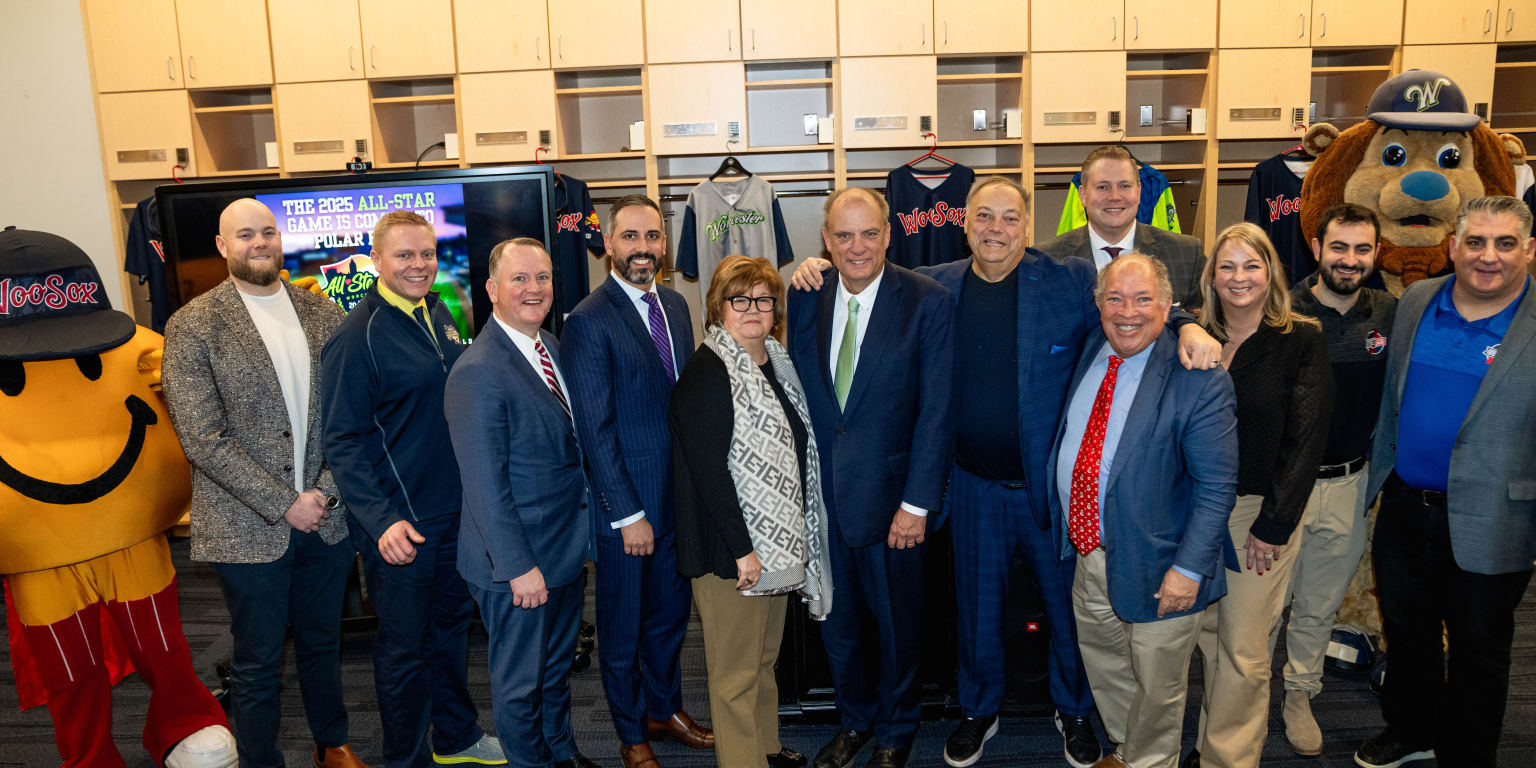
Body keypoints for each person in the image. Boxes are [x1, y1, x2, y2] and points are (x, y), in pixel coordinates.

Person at [787, 178, 1224, 768]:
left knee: (1069, 617)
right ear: (964, 224)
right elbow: (864, 285)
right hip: (970, 486)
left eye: (1010, 218)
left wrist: (1187, 325)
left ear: (1027, 225)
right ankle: (977, 711)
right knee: (976, 616)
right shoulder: (933, 288)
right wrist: (811, 267)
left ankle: (1073, 712)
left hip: (1050, 489)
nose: (996, 229)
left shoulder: (1068, 280)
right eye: (984, 217)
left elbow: (1129, 308)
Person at [162, 198, 364, 768]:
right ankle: (260, 759)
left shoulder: (321, 313)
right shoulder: (193, 324)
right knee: (257, 660)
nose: (260, 243)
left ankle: (333, 744)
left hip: (326, 516)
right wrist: (285, 504)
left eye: (268, 232)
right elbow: (202, 437)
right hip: (246, 527)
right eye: (245, 234)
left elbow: (348, 417)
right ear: (224, 247)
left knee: (325, 645)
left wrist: (321, 492)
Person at [1354, 195, 1536, 768]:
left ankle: (1466, 753)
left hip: (1496, 516)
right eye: (1475, 242)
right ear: (1452, 246)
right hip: (1406, 506)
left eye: (1505, 243)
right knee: (1407, 635)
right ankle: (1410, 729)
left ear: (1528, 250)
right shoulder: (1415, 301)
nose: (1488, 256)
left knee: (1481, 649)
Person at [321, 211, 504, 767]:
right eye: (404, 255)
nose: (419, 265)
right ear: (376, 261)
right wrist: (381, 521)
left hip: (452, 516)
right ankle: (404, 759)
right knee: (403, 651)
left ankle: (455, 737)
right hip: (400, 526)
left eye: (427, 253)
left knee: (448, 634)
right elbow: (343, 441)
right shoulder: (357, 338)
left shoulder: (439, 312)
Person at [785, 186, 956, 768]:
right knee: (837, 628)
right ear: (826, 240)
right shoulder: (806, 294)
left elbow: (938, 411)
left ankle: (895, 732)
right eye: (843, 235)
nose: (857, 247)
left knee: (898, 628)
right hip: (822, 501)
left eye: (869, 234)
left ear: (889, 234)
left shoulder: (926, 301)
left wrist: (918, 503)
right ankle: (855, 722)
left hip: (893, 506)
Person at [1047, 252, 1239, 768]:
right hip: (1090, 556)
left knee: (1158, 689)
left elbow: (1217, 485)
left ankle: (1151, 760)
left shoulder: (1197, 375)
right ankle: (1129, 753)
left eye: (1142, 299)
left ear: (1168, 304)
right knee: (1107, 667)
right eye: (1114, 298)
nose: (1126, 311)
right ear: (1098, 305)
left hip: (1162, 565)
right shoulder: (1093, 347)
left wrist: (1188, 569)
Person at [560, 195, 713, 768]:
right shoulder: (588, 319)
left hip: (677, 500)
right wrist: (627, 514)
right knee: (622, 629)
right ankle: (629, 732)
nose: (643, 248)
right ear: (609, 244)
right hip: (627, 510)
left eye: (652, 237)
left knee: (671, 618)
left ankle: (663, 707)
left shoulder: (674, 305)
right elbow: (594, 429)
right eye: (630, 237)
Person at [669, 255, 831, 768]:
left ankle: (764, 748)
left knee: (763, 662)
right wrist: (743, 550)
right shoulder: (707, 372)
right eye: (740, 300)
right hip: (731, 552)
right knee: (734, 674)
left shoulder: (774, 362)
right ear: (719, 307)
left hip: (776, 544)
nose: (753, 310)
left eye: (763, 300)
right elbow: (709, 473)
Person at [443, 238, 599, 768]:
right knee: (518, 685)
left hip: (560, 550)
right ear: (491, 290)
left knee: (555, 669)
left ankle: (561, 751)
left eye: (543, 278)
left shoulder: (548, 346)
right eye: (519, 279)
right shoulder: (478, 370)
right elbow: (485, 485)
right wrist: (518, 567)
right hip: (514, 565)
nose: (534, 289)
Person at [1187, 223, 1333, 768]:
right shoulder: (1195, 332)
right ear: (1212, 277)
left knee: (1245, 650)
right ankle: (1208, 743)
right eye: (1227, 266)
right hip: (1196, 511)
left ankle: (1228, 760)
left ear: (1271, 272)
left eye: (1252, 265)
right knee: (1206, 639)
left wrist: (1274, 525)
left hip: (1257, 514)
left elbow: (1306, 441)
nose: (1239, 277)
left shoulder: (1300, 338)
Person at [1274, 203, 1396, 757]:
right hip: (1279, 489)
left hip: (1349, 485)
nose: (1350, 260)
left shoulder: (1391, 313)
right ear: (1318, 249)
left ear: (1376, 253)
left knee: (1319, 606)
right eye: (1339, 247)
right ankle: (1241, 697)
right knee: (1259, 608)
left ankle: (1299, 695)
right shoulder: (1282, 311)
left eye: (1362, 249)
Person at [1040, 146, 1204, 308]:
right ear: (1083, 195)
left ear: (1139, 191)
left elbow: (1207, 323)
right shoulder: (1047, 260)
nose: (1114, 197)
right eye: (1102, 187)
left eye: (1125, 186)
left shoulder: (1187, 254)